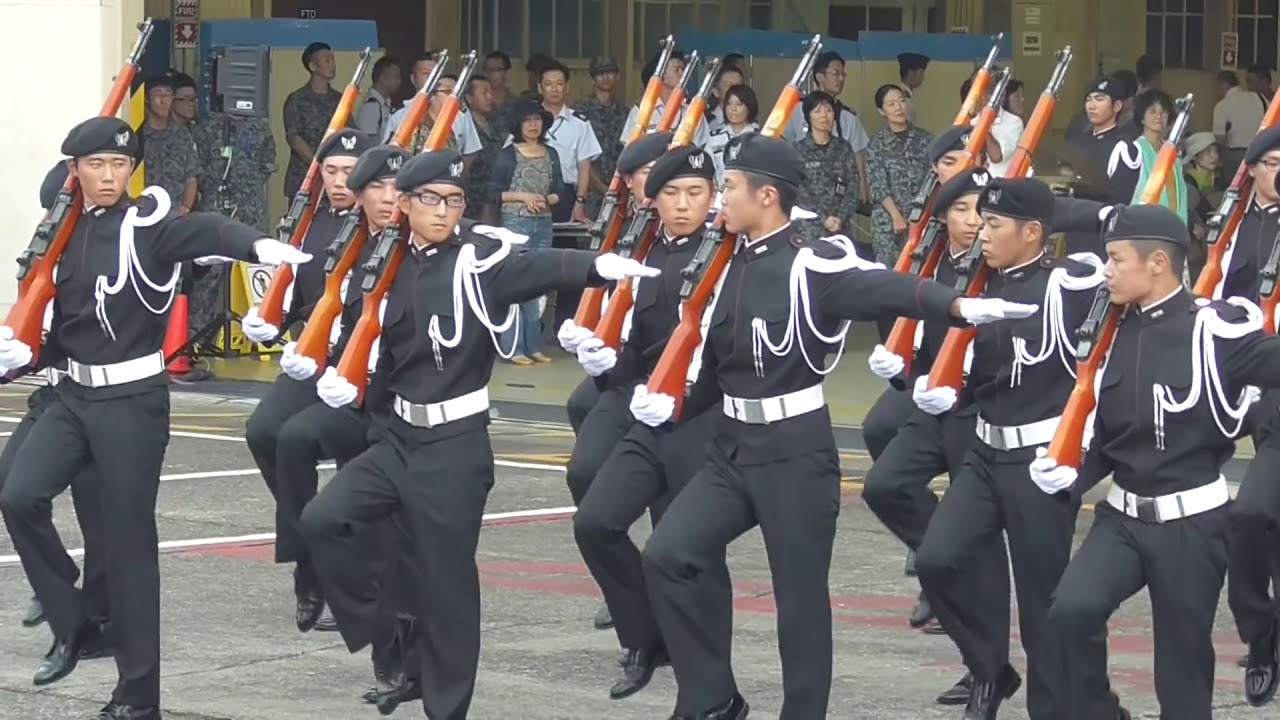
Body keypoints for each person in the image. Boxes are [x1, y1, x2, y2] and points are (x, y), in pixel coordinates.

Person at [636, 134, 1036, 720]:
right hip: (732, 451)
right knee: (668, 554)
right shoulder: (722, 265)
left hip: (795, 456)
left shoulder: (810, 263)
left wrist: (953, 307)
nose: (720, 198)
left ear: (766, 196)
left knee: (799, 602)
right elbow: (720, 368)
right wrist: (670, 405)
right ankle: (712, 697)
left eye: (730, 187)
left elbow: (879, 286)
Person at [297, 148, 657, 720]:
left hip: (454, 446)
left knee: (448, 587)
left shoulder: (474, 261)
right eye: (431, 200)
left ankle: (446, 707)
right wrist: (344, 381)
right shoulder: (385, 259)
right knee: (324, 521)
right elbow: (373, 341)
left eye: (455, 200)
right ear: (406, 204)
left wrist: (595, 266)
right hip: (395, 440)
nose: (444, 211)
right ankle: (384, 629)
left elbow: (531, 268)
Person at [0, 115, 309, 720]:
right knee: (18, 494)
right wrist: (22, 356)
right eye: (96, 165)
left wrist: (255, 246)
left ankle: (138, 695)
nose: (108, 175)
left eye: (119, 165)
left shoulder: (145, 227)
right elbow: (67, 328)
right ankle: (76, 621)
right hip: (73, 397)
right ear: (75, 171)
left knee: (128, 543)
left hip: (131, 404)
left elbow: (202, 230)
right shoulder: (61, 236)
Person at [1037, 203, 1280, 717]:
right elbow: (1109, 436)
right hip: (1122, 518)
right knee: (1070, 612)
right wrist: (1068, 474)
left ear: (1158, 263)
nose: (1107, 270)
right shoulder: (1108, 330)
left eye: (1117, 259)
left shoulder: (1212, 333)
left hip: (1192, 525)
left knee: (1182, 671)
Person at [912, 177, 1119, 720]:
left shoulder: (1068, 284)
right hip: (984, 452)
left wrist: (1095, 216)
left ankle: (1068, 709)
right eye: (982, 221)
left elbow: (1126, 263)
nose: (981, 232)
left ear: (1033, 233)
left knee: (1042, 602)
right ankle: (989, 668)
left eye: (995, 224)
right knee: (936, 560)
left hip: (1039, 462)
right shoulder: (975, 283)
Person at [571, 144, 728, 700]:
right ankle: (643, 635)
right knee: (594, 519)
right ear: (651, 199)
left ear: (713, 197)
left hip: (702, 414)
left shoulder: (727, 255)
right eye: (671, 194)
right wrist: (603, 362)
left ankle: (705, 676)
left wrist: (686, 400)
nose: (683, 205)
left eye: (695, 193)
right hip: (642, 404)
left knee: (686, 547)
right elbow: (635, 346)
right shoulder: (645, 251)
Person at [862, 168, 1011, 707]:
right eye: (962, 210)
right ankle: (942, 556)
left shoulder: (1001, 267)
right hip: (933, 411)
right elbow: (916, 345)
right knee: (884, 486)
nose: (973, 222)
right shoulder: (929, 263)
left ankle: (986, 671)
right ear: (942, 216)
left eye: (983, 212)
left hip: (979, 414)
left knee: (979, 549)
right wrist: (902, 373)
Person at [237, 129, 378, 632]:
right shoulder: (311, 226)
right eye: (330, 172)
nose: (339, 182)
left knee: (339, 454)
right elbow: (298, 300)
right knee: (264, 432)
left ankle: (342, 574)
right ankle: (310, 555)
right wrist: (269, 323)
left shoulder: (386, 229)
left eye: (349, 173)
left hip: (365, 370)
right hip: (313, 361)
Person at [556, 131, 674, 631]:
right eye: (645, 176)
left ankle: (664, 598)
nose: (658, 184)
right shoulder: (625, 225)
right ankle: (623, 582)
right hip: (628, 373)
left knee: (670, 501)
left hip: (680, 382)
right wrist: (590, 336)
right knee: (584, 471)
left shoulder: (706, 228)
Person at [2, 161, 111, 644]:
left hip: (104, 397)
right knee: (13, 489)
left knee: (98, 509)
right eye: (53, 210)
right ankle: (57, 584)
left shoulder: (108, 246)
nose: (55, 218)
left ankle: (102, 619)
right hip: (55, 393)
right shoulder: (47, 253)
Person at [283, 42, 342, 198]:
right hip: (304, 178)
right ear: (313, 66)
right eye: (327, 60)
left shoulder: (340, 100)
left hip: (333, 179)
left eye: (333, 59)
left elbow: (348, 134)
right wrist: (318, 165)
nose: (332, 64)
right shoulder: (297, 99)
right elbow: (294, 138)